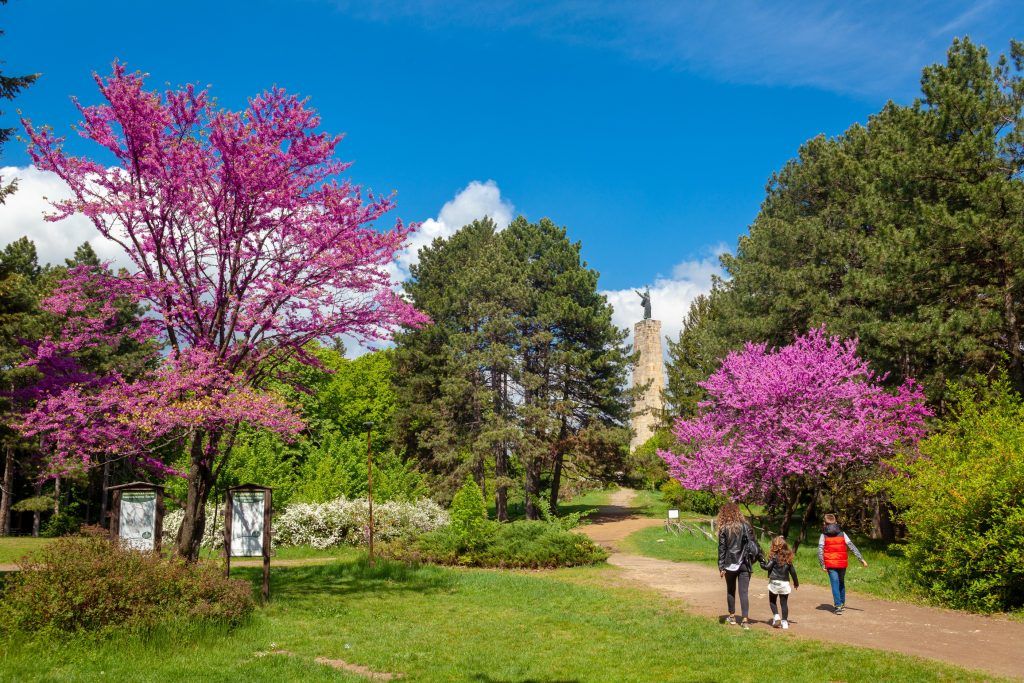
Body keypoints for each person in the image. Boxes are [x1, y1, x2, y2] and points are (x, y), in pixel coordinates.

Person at [716, 502, 760, 629]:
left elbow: (722, 549)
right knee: (744, 592)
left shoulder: (724, 528)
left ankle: (732, 616)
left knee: (731, 590)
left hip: (729, 564)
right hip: (745, 563)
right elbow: (754, 543)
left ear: (724, 514)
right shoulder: (746, 526)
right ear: (738, 513)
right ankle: (745, 620)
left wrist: (721, 567)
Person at [818, 513, 868, 614]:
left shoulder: (823, 535)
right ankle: (842, 603)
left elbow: (820, 551)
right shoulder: (842, 533)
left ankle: (838, 606)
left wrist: (822, 564)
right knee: (841, 582)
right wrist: (861, 559)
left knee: (835, 583)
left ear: (825, 523)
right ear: (835, 522)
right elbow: (852, 546)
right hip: (842, 563)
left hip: (831, 564)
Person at [759, 536, 799, 629]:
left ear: (774, 546)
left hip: (774, 582)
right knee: (784, 603)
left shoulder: (773, 557)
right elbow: (793, 572)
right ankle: (784, 622)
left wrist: (762, 563)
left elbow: (767, 567)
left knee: (772, 601)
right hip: (784, 583)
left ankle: (776, 616)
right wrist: (796, 583)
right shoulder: (788, 559)